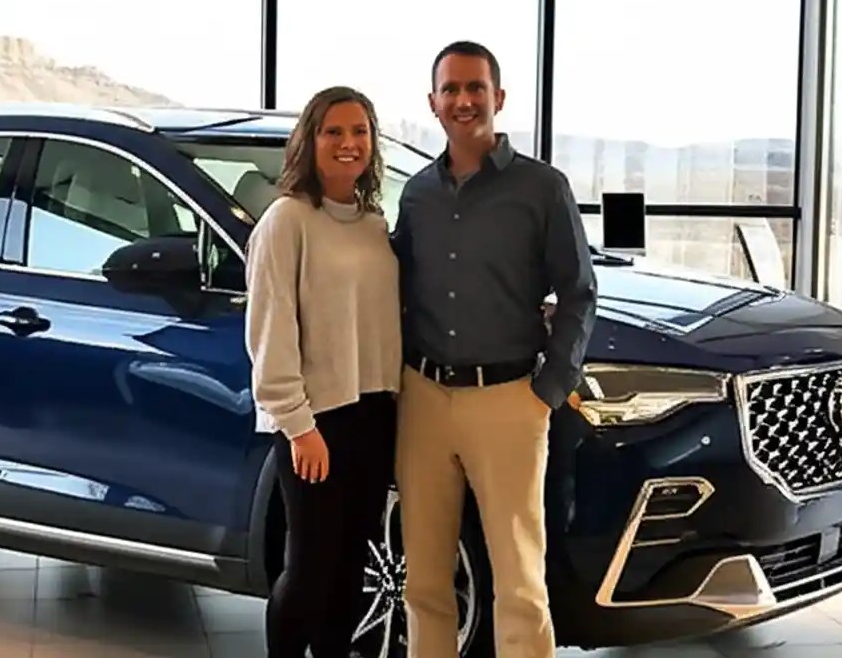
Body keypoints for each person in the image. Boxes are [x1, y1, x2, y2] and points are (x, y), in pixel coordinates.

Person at [392, 40, 598, 657]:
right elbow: (394, 288)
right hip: (423, 399)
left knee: (520, 582)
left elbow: (579, 291)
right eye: (451, 89)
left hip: (510, 400)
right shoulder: (417, 196)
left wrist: (549, 390)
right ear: (433, 103)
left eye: (475, 88)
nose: (463, 100)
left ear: (498, 98)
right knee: (424, 580)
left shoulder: (542, 188)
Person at [244, 85, 402, 657]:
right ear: (309, 140)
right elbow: (270, 330)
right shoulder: (286, 221)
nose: (347, 142)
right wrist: (298, 425)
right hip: (316, 422)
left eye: (359, 131)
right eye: (333, 131)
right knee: (309, 571)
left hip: (374, 415)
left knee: (351, 569)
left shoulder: (373, 223)